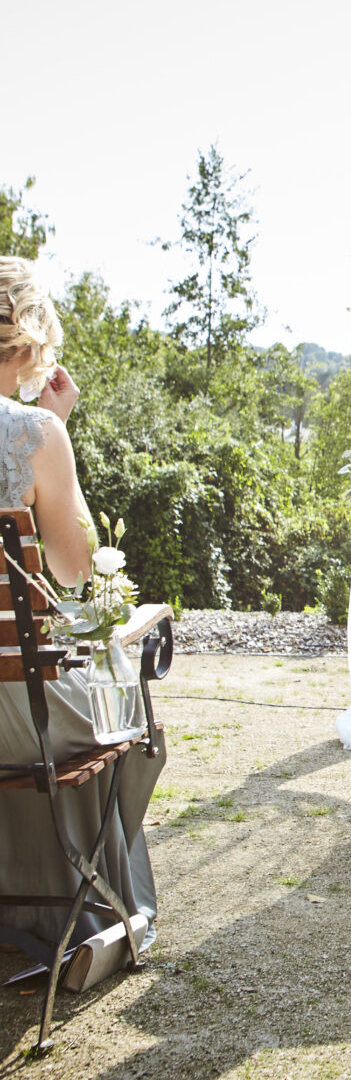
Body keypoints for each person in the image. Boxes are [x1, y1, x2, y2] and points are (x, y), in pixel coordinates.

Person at [0, 255, 166, 951]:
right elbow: (73, 571)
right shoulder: (32, 434)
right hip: (19, 720)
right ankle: (84, 910)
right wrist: (54, 424)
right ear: (33, 344)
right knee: (121, 702)